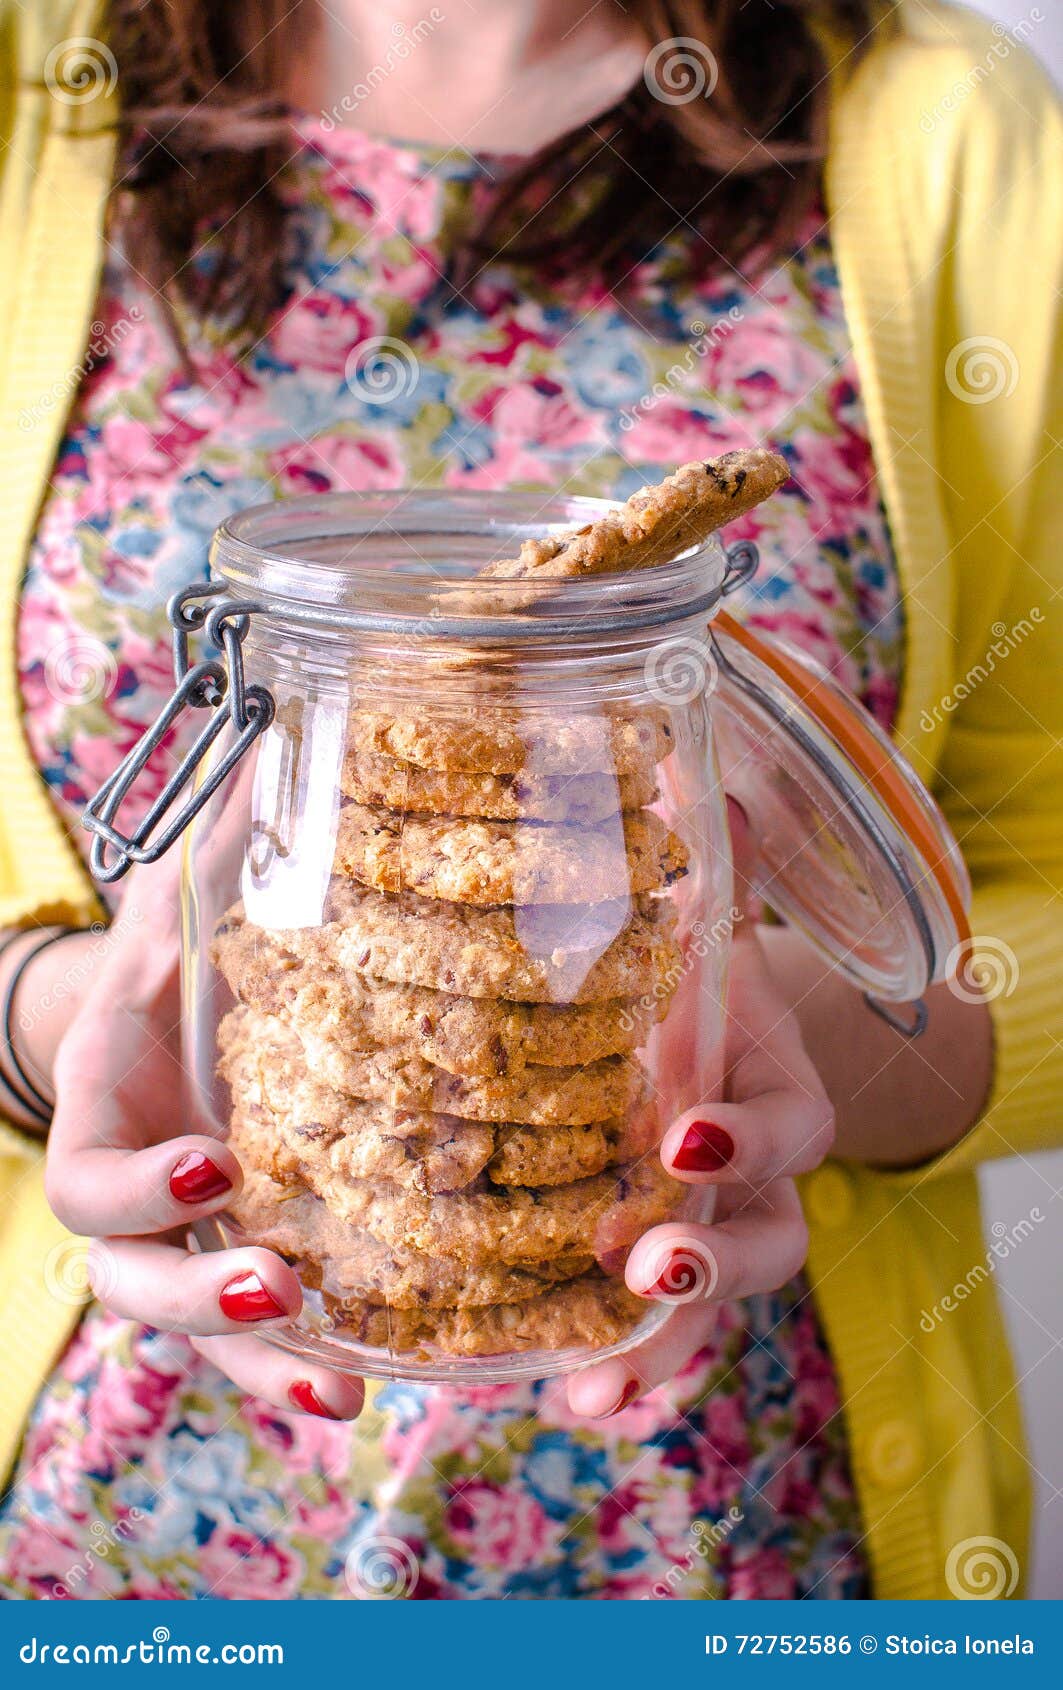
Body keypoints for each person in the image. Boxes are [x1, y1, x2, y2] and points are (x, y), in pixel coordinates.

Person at [0, 0, 1058, 1600]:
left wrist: (751, 1032)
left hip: (735, 1537)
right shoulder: (33, 81)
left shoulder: (954, 127)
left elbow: (1037, 871)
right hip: (108, 1537)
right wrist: (64, 1019)